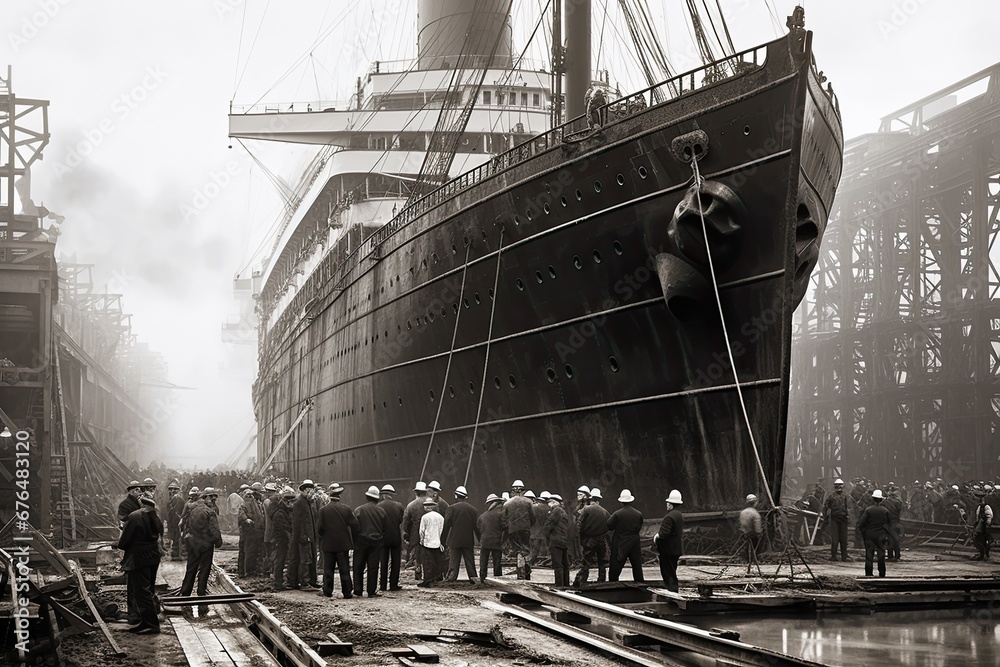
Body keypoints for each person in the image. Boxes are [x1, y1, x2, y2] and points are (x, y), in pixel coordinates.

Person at [115, 492, 163, 635]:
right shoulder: (154, 515)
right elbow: (159, 533)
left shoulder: (135, 516)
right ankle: (145, 622)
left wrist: (116, 543)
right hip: (152, 556)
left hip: (139, 559)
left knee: (141, 593)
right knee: (148, 590)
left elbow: (124, 542)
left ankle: (151, 625)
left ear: (141, 502)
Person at [316, 483, 358, 598]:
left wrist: (325, 536)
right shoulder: (346, 509)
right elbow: (355, 525)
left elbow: (319, 528)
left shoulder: (323, 510)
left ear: (329, 497)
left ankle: (327, 591)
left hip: (328, 544)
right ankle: (347, 592)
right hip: (343, 544)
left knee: (328, 569)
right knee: (344, 568)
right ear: (340, 496)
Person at [179, 487, 223, 596]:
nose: (213, 500)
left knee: (191, 568)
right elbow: (214, 530)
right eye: (211, 497)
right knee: (205, 569)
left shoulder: (193, 509)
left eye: (214, 498)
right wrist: (218, 542)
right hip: (206, 545)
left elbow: (185, 525)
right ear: (205, 497)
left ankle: (185, 592)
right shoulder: (209, 512)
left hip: (193, 544)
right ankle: (201, 592)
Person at [353, 486, 387, 597]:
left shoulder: (358, 510)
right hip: (376, 542)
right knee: (373, 567)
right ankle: (371, 591)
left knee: (358, 566)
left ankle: (358, 590)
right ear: (377, 498)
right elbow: (384, 528)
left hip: (361, 541)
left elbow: (354, 527)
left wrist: (355, 539)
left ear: (367, 497)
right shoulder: (381, 511)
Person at [442, 485, 480, 584]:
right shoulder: (473, 510)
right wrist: (480, 540)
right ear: (465, 497)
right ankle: (473, 578)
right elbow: (476, 527)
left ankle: (451, 578)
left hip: (454, 540)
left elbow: (446, 526)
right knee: (470, 561)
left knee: (454, 562)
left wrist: (443, 540)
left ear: (456, 496)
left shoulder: (451, 508)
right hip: (468, 540)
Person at [574, 488, 611, 586]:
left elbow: (579, 524)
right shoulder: (605, 512)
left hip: (589, 539)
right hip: (601, 539)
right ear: (599, 500)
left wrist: (580, 536)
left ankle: (583, 579)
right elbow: (610, 526)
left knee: (587, 560)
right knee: (602, 561)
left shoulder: (586, 509)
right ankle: (601, 580)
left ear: (590, 500)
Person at [288, 479, 319, 590]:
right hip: (304, 537)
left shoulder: (309, 503)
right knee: (305, 560)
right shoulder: (300, 503)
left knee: (312, 558)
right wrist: (303, 536)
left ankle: (312, 580)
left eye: (311, 489)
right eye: (308, 490)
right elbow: (297, 522)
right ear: (304, 490)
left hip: (310, 536)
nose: (310, 492)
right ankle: (304, 582)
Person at [607, 489, 644, 582]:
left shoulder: (617, 514)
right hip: (634, 542)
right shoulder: (638, 514)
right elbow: (639, 526)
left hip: (620, 541)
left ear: (621, 501)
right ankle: (640, 584)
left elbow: (609, 526)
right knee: (637, 565)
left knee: (615, 565)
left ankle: (612, 584)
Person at [502, 480, 536, 579]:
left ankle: (520, 574)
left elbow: (504, 519)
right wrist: (528, 526)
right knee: (526, 550)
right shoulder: (529, 502)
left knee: (518, 551)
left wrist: (508, 528)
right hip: (525, 529)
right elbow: (533, 518)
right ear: (523, 491)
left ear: (513, 491)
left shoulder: (507, 504)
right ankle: (527, 573)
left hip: (513, 530)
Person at [653, 489, 684, 592]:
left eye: (668, 503)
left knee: (668, 573)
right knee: (672, 571)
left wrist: (656, 536)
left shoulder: (669, 517)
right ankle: (673, 590)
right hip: (676, 549)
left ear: (671, 504)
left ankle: (672, 592)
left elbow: (664, 534)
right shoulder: (679, 515)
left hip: (667, 550)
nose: (667, 504)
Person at [377, 484, 405, 591]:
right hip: (395, 536)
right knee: (395, 561)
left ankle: (383, 585)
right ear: (391, 495)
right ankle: (393, 584)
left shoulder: (378, 506)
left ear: (383, 495)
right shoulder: (399, 506)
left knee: (383, 561)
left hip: (383, 537)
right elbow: (400, 520)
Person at [857, 488, 890, 577]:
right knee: (881, 555)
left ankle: (868, 573)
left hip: (870, 535)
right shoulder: (885, 511)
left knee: (869, 555)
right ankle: (882, 573)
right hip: (881, 535)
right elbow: (889, 524)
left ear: (873, 499)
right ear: (881, 499)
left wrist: (864, 534)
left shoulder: (868, 510)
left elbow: (861, 524)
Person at [402, 481, 428, 581]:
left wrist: (406, 535)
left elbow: (406, 522)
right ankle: (429, 574)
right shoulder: (432, 503)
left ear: (416, 492)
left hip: (415, 533)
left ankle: (418, 573)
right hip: (430, 532)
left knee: (417, 554)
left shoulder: (411, 505)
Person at [477, 493, 505, 583]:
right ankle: (498, 580)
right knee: (497, 562)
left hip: (485, 540)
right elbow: (505, 526)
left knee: (483, 561)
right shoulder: (501, 513)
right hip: (497, 541)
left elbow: (479, 528)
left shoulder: (483, 516)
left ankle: (482, 578)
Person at [237, 484, 265, 577]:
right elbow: (242, 516)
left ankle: (250, 570)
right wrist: (246, 520)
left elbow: (260, 516)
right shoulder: (244, 505)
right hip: (248, 532)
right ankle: (246, 572)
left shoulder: (258, 504)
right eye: (248, 495)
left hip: (256, 532)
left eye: (251, 495)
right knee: (247, 552)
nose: (250, 497)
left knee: (253, 552)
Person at [271, 486, 295, 590]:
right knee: (279, 561)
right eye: (288, 501)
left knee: (281, 561)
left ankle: (279, 582)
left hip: (283, 540)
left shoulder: (285, 512)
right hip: (281, 540)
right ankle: (278, 583)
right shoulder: (279, 513)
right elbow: (282, 529)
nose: (290, 504)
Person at [417, 497, 445, 587]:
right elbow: (442, 530)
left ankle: (427, 580)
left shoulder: (424, 517)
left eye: (427, 505)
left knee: (427, 563)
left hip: (427, 542)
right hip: (437, 542)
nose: (426, 507)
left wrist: (421, 541)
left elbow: (421, 531)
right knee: (437, 561)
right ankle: (438, 577)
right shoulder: (440, 517)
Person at [544, 494, 570, 586]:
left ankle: (559, 585)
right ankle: (566, 584)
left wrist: (547, 537)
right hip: (563, 540)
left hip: (555, 540)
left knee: (557, 564)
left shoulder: (556, 511)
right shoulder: (563, 511)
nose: (548, 505)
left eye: (550, 502)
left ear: (554, 502)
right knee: (565, 564)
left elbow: (548, 526)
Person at [823, 479, 851, 561]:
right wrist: (849, 517)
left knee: (836, 538)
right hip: (842, 519)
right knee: (843, 538)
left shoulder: (832, 496)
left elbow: (825, 507)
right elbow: (849, 508)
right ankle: (843, 556)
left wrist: (825, 518)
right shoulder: (846, 496)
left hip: (835, 518)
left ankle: (834, 556)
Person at [737, 494, 763, 562]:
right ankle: (754, 559)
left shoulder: (742, 512)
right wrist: (759, 534)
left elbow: (741, 524)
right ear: (755, 503)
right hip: (752, 535)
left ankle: (746, 559)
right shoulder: (755, 514)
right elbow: (757, 529)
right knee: (755, 547)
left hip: (743, 534)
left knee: (746, 547)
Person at [166, 480, 185, 561]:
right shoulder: (172, 498)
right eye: (170, 489)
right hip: (172, 521)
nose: (172, 491)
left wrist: (179, 522)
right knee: (174, 538)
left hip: (176, 522)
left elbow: (177, 512)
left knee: (177, 538)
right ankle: (175, 553)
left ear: (178, 490)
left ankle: (177, 554)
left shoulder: (177, 498)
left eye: (174, 489)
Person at [972, 489, 994, 561]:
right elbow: (977, 516)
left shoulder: (986, 506)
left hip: (984, 526)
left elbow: (989, 515)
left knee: (985, 541)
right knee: (978, 540)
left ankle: (985, 555)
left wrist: (987, 522)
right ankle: (982, 554)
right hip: (980, 525)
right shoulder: (980, 506)